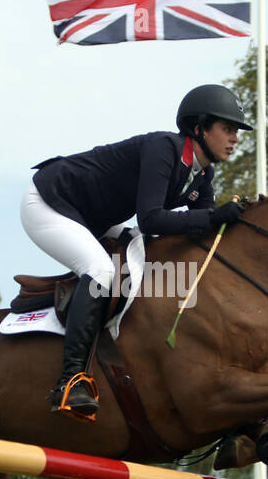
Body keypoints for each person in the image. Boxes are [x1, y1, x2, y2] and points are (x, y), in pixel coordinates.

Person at [20, 84, 251, 420]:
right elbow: (151, 217)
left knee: (145, 254)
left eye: (235, 131)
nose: (234, 138)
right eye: (227, 129)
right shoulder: (164, 148)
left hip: (92, 218)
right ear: (199, 128)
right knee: (100, 270)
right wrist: (214, 217)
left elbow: (203, 231)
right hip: (50, 201)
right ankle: (70, 381)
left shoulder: (202, 174)